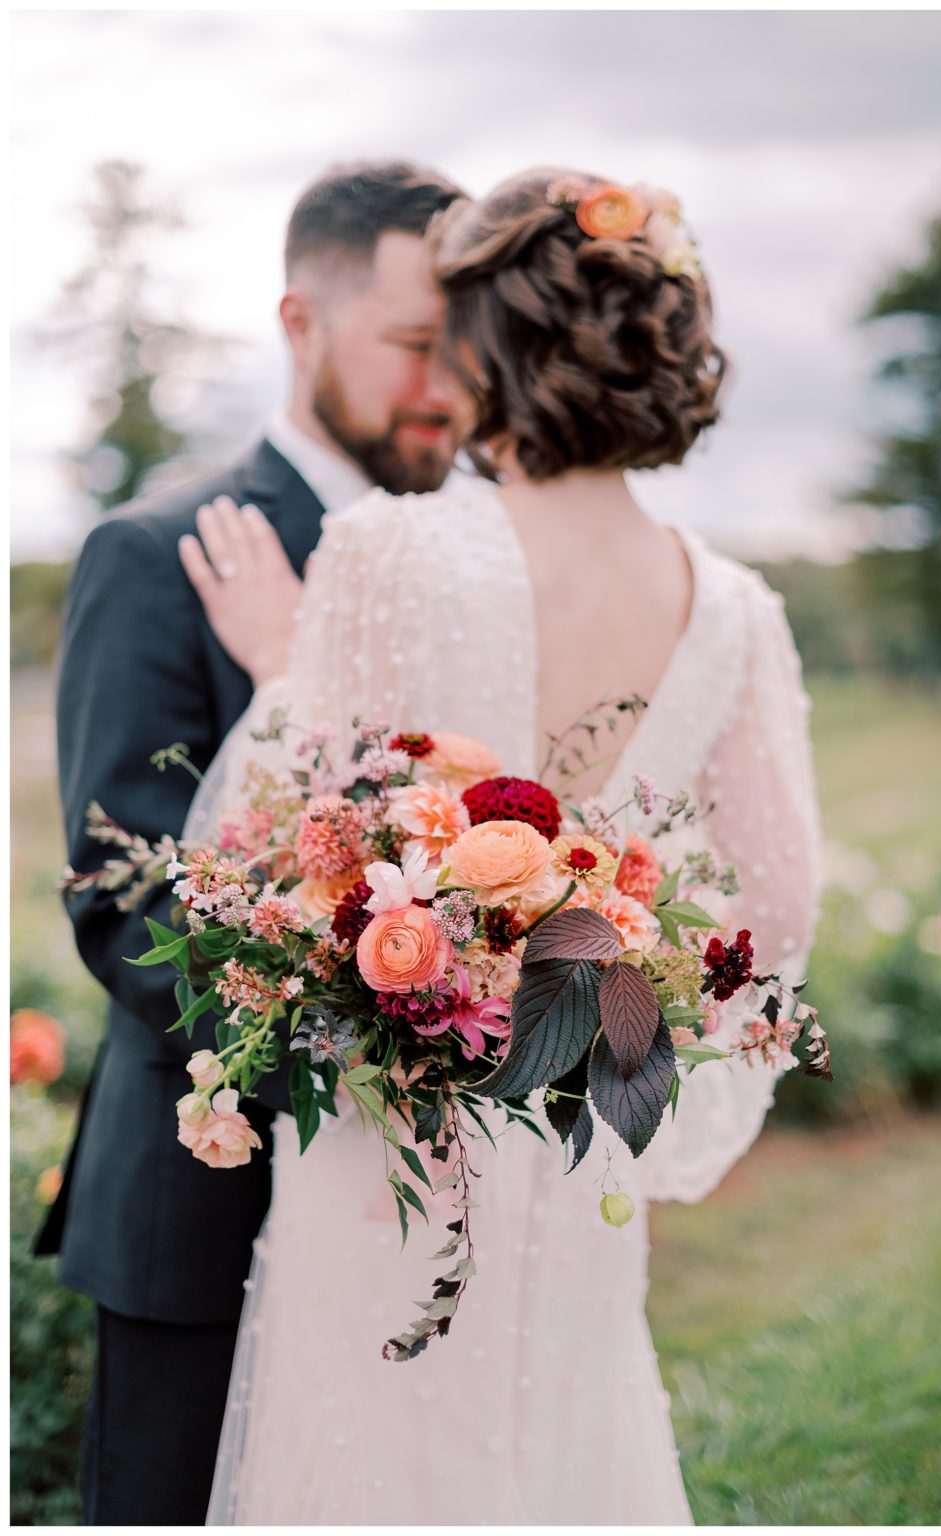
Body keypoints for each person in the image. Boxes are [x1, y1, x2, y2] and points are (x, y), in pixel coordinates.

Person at [179, 167, 823, 1524]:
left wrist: (284, 666)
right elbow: (774, 908)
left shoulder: (387, 557)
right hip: (582, 1133)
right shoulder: (735, 610)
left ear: (486, 341)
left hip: (388, 1152)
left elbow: (295, 844)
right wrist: (638, 1088)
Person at [41, 158, 466, 1526]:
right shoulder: (156, 552)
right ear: (301, 324)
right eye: (414, 344)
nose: (448, 384)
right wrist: (381, 1025)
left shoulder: (474, 574)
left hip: (429, 1215)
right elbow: (126, 907)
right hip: (205, 1212)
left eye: (470, 346)